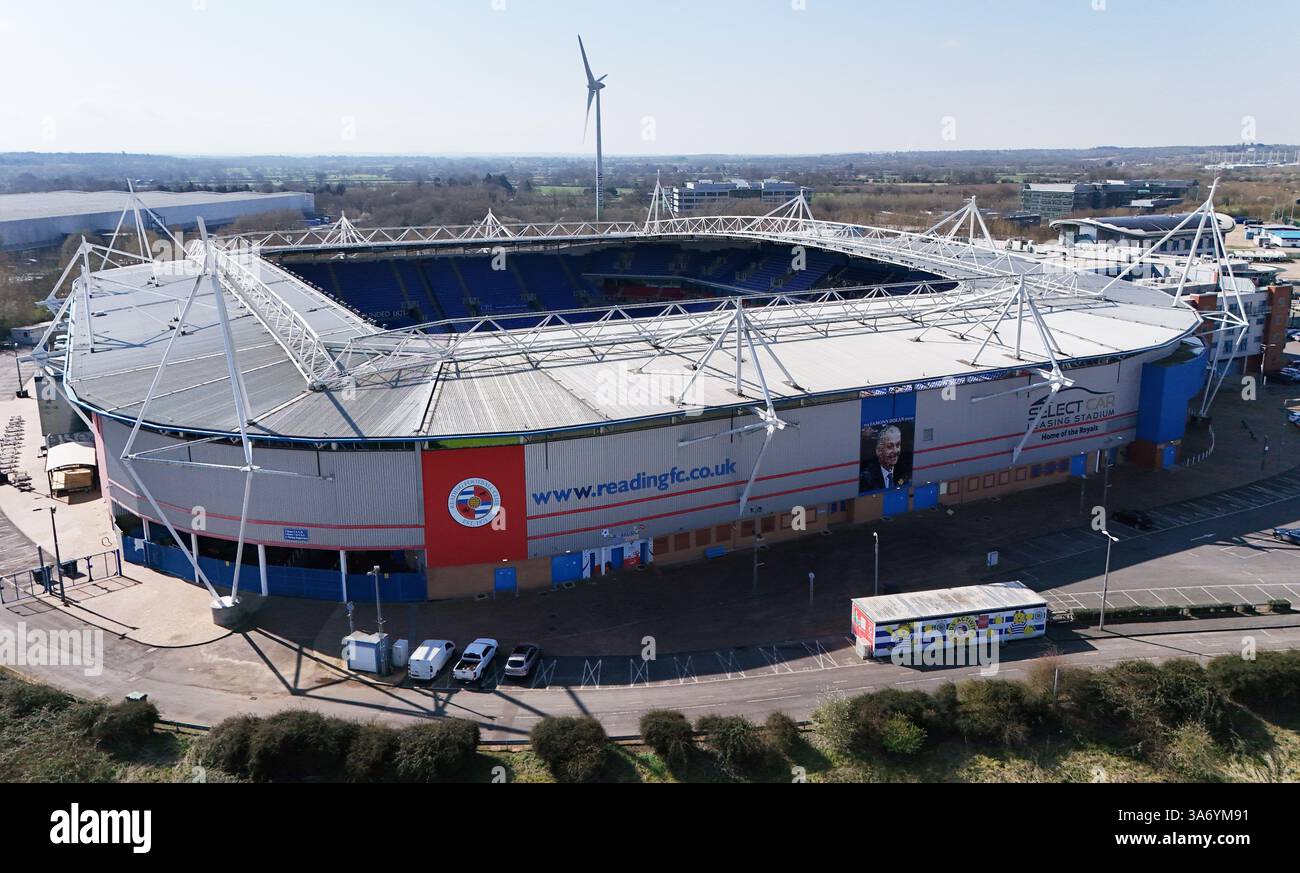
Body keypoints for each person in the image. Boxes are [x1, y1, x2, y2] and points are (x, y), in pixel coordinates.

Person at [860, 424, 910, 492]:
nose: (895, 451)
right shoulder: (867, 478)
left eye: (898, 445)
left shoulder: (903, 470)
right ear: (879, 451)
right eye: (890, 446)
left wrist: (898, 484)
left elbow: (901, 482)